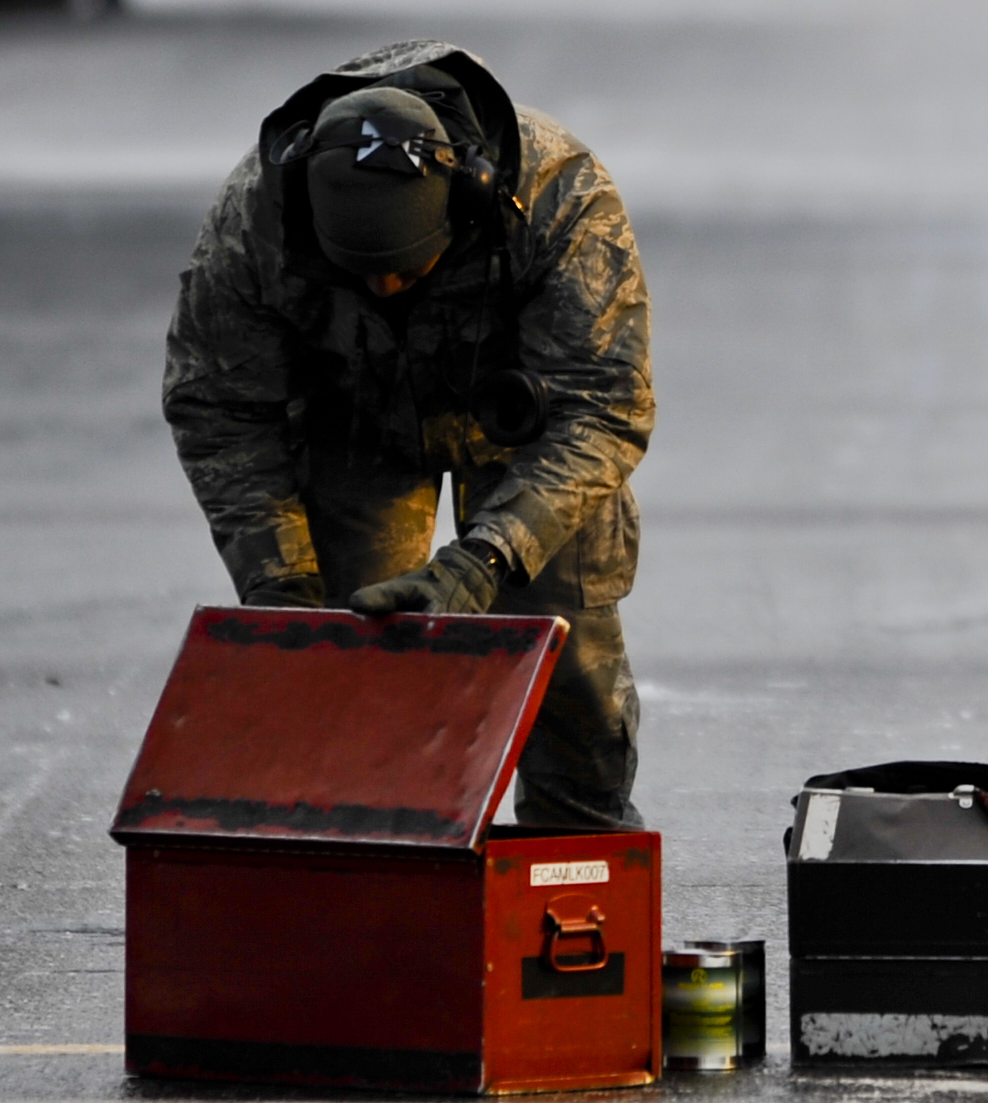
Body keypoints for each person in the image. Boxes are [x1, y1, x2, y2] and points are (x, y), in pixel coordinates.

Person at [162, 41, 656, 828]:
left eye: (404, 269)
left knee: (569, 666)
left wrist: (487, 556)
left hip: (529, 437)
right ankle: (371, 869)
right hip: (355, 417)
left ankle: (576, 867)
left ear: (467, 202)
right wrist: (280, 586)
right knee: (346, 657)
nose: (384, 289)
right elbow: (221, 407)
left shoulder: (558, 195)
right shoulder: (255, 224)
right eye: (358, 274)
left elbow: (604, 405)